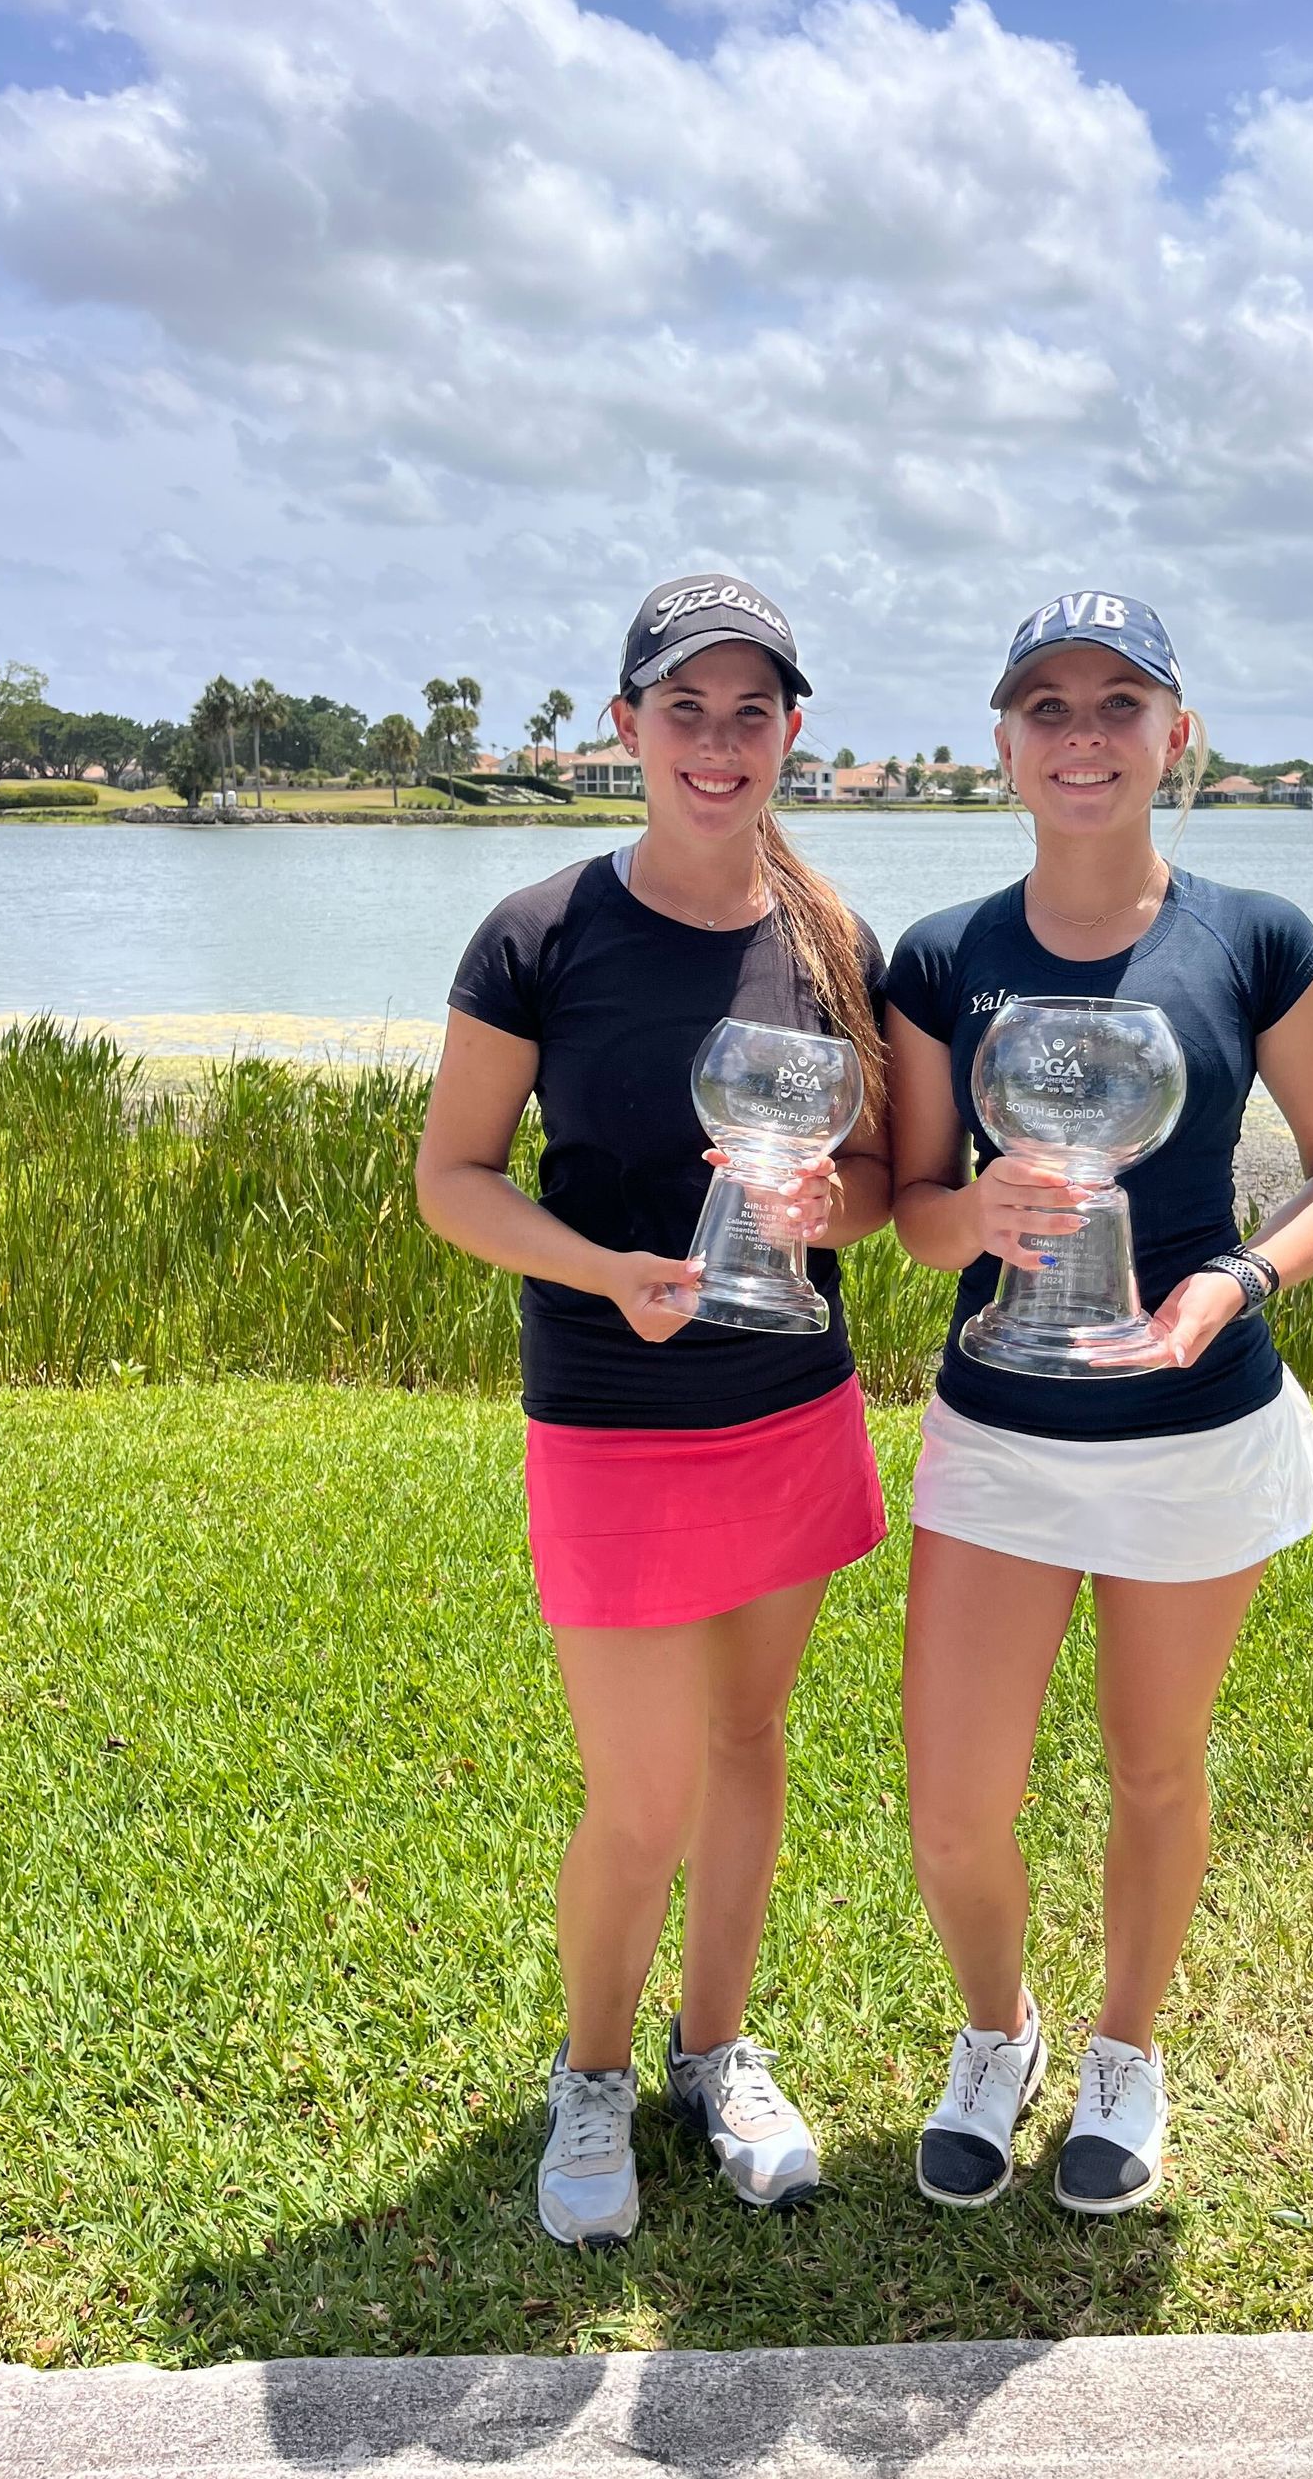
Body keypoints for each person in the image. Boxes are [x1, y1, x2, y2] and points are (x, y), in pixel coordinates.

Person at [885, 592, 1313, 2217]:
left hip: (1196, 1430)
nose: (1082, 733)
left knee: (1154, 1770)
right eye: (1046, 705)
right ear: (1005, 748)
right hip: (1001, 1429)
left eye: (1120, 703)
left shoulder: (1257, 938)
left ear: (1179, 735)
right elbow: (906, 1203)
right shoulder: (945, 959)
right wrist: (979, 1217)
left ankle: (1126, 2055)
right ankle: (997, 2032)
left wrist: (1235, 1283)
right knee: (957, 1802)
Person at [415, 576, 890, 2249]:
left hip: (788, 1398)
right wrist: (603, 1268)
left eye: (748, 713)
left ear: (789, 737)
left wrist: (834, 1212)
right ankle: (595, 2076)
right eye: (682, 711)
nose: (715, 743)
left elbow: (885, 1186)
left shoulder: (837, 943)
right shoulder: (539, 933)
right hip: (610, 1412)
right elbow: (453, 1182)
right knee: (641, 1796)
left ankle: (715, 2050)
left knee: (751, 1746)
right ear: (625, 727)